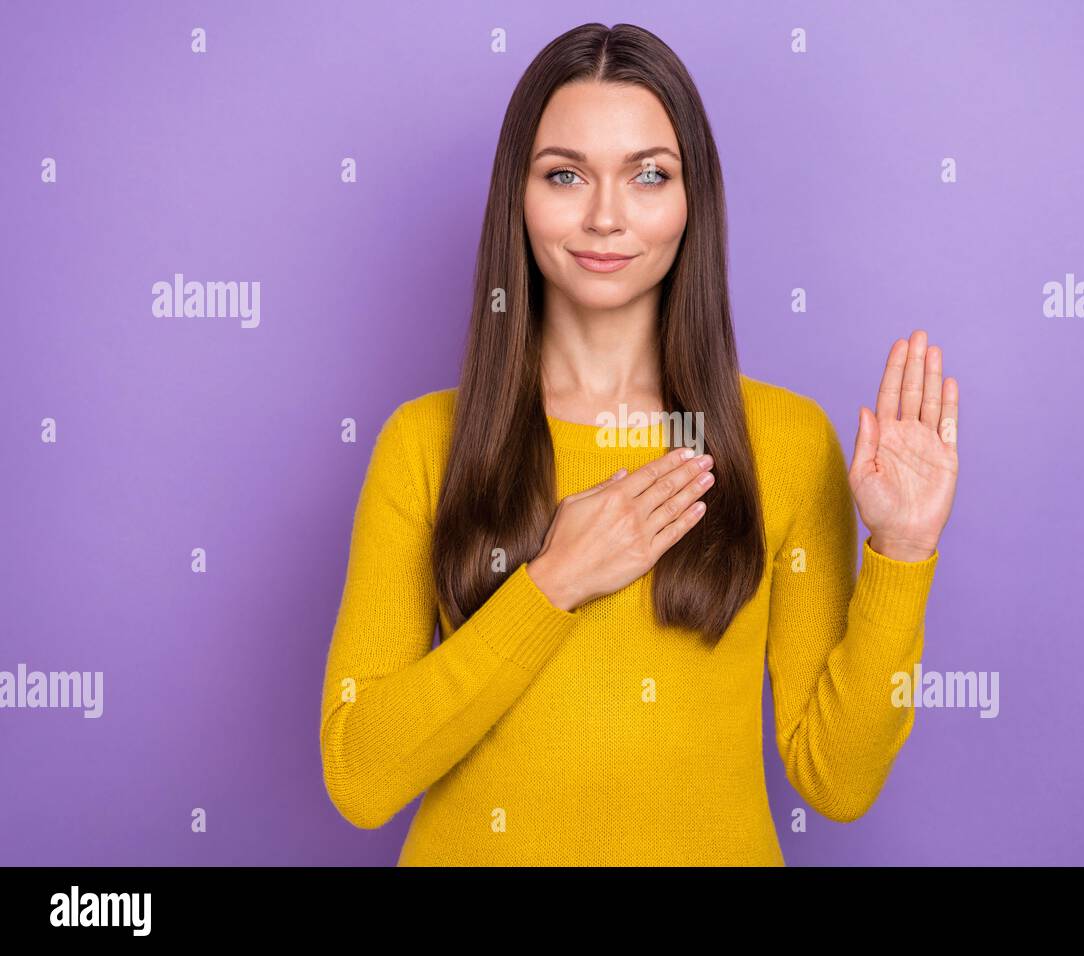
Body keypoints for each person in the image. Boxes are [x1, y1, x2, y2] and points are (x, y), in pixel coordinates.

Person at [319, 22, 959, 866]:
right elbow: (360, 777)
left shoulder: (786, 443)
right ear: (519, 194)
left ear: (694, 201)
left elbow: (837, 782)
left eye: (648, 174)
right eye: (565, 174)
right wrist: (552, 584)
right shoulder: (423, 444)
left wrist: (903, 551)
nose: (605, 215)